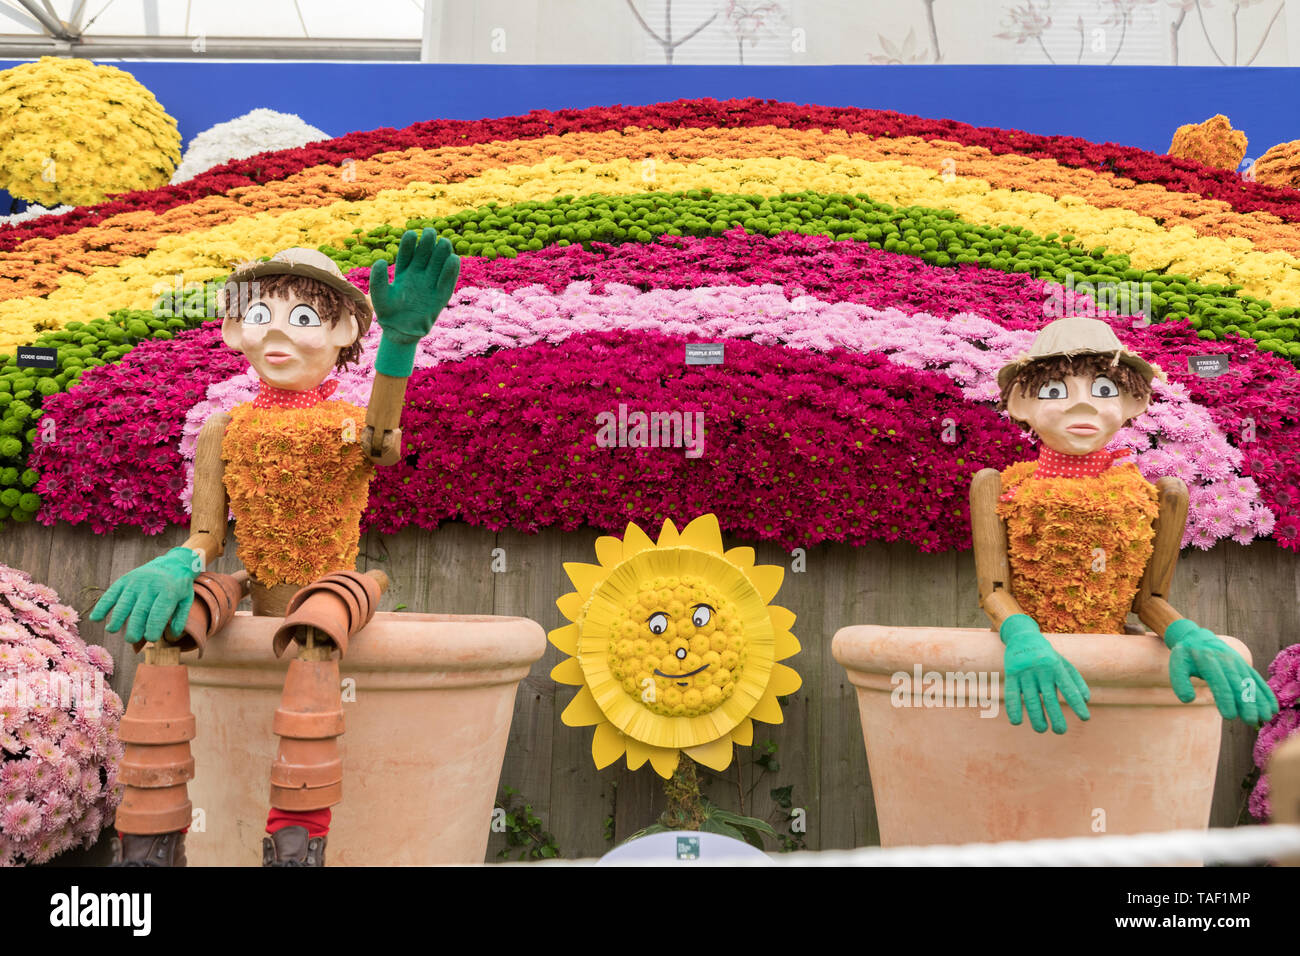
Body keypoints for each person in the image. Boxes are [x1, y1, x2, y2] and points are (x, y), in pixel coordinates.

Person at [91, 229, 459, 865]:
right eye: (260, 315)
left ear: (344, 329)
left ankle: (296, 838)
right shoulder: (223, 430)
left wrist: (399, 345)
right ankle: (149, 837)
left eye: (304, 317)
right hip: (251, 581)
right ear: (236, 332)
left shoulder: (346, 425)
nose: (277, 333)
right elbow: (207, 534)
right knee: (168, 631)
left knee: (315, 631)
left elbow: (383, 442)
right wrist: (184, 561)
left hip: (333, 591)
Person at [970, 316, 1278, 734]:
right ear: (1021, 405)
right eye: (1055, 390)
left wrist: (1186, 633)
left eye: (1103, 389)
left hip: (1114, 675)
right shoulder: (999, 489)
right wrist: (1022, 635)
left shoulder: (1156, 498)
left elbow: (1147, 596)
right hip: (1027, 675)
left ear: (1134, 403)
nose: (1083, 405)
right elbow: (995, 590)